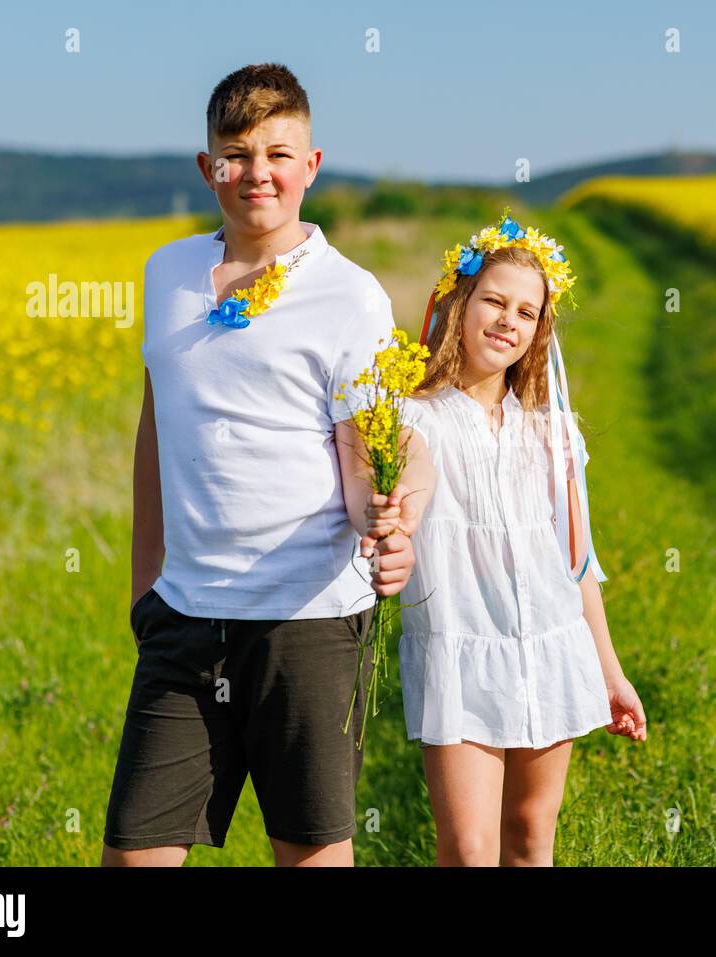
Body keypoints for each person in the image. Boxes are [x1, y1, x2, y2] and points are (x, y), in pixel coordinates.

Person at [101, 63, 430, 867]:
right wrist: (146, 583)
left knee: (309, 856)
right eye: (237, 153)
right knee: (131, 856)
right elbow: (157, 426)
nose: (258, 173)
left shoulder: (349, 296)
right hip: (183, 620)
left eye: (280, 154)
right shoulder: (166, 273)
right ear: (207, 165)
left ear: (311, 167)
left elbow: (367, 462)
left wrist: (389, 523)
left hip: (307, 622)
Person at [362, 210, 648, 866]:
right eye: (493, 300)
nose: (506, 320)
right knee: (468, 848)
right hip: (461, 652)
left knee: (528, 837)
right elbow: (405, 485)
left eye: (526, 311)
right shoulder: (413, 417)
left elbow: (577, 560)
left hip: (553, 646)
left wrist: (610, 671)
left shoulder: (550, 431)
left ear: (539, 331)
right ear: (459, 302)